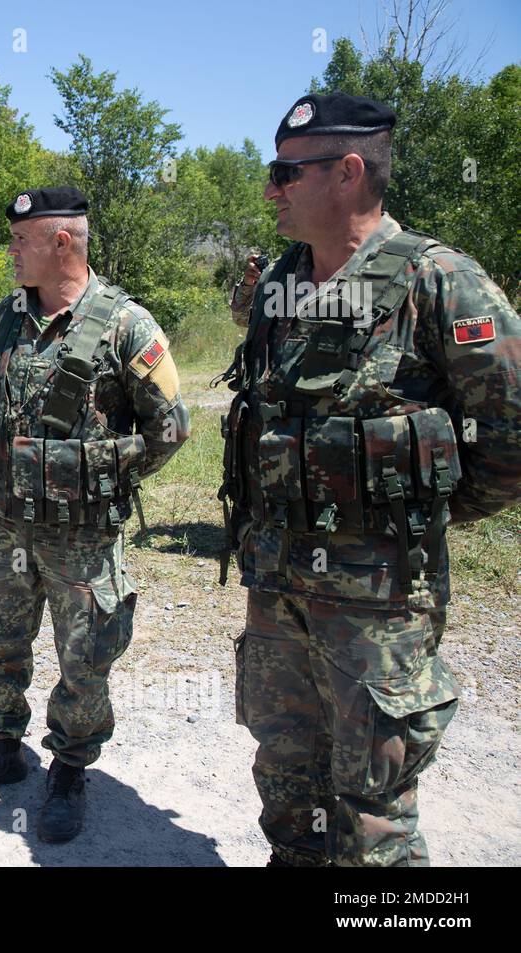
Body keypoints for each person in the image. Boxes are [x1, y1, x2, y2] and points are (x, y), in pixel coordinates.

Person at [218, 93, 521, 866]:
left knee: (373, 821)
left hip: (381, 602)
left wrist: (414, 516)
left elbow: (511, 440)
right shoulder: (279, 283)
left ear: (348, 172)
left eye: (286, 172)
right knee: (287, 784)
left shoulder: (438, 281)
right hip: (279, 588)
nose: (270, 189)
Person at [0, 187, 190, 842]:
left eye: (21, 239)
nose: (10, 250)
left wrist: (94, 476)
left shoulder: (124, 324)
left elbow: (171, 426)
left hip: (80, 535)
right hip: (6, 524)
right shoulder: (7, 315)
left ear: (62, 243)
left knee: (83, 657)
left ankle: (71, 768)